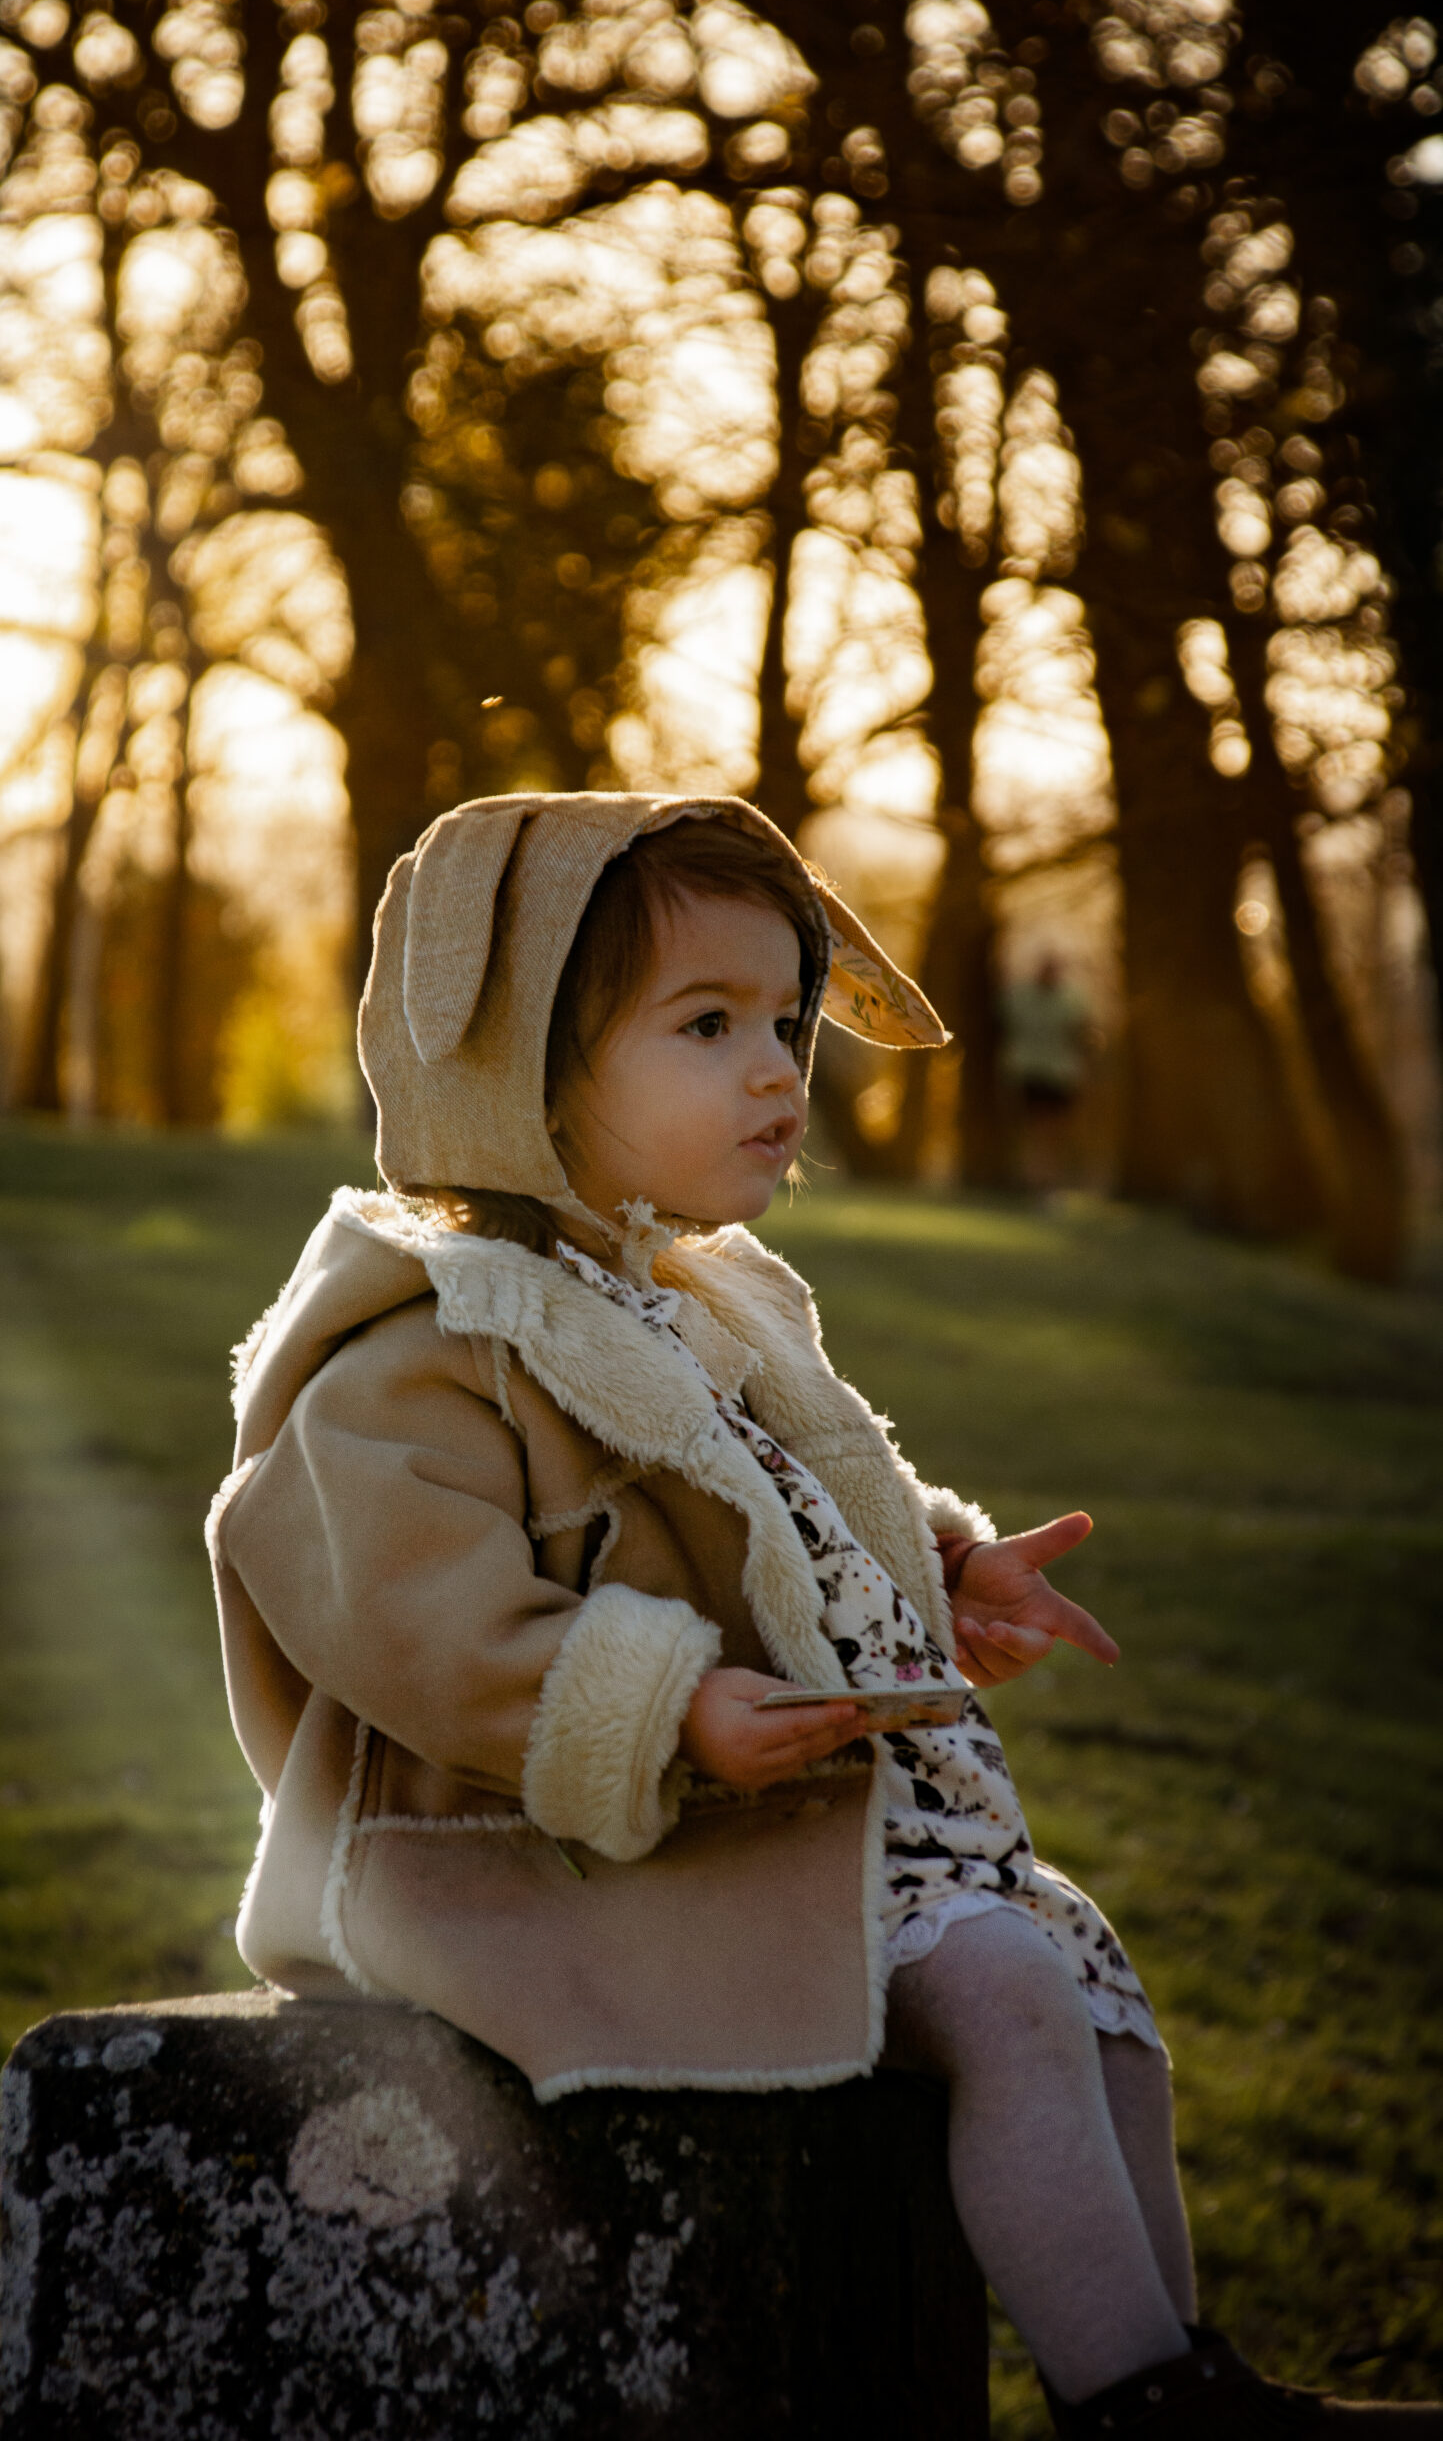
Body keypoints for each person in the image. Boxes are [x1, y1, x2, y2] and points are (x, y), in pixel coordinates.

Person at [209, 793, 1435, 2438]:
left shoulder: (695, 1306)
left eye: (785, 1019)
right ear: (516, 1063)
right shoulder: (425, 1350)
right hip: (527, 1852)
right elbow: (404, 1613)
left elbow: (772, 1513)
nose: (780, 1070)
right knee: (995, 1983)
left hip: (736, 1816)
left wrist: (936, 1569)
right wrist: (658, 1706)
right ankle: (1136, 2401)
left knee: (1066, 1953)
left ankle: (1178, 2361)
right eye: (705, 1025)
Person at [1000, 951, 1094, 1193]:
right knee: (1035, 1128)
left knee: (1054, 1131)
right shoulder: (1020, 996)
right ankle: (1033, 1180)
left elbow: (1083, 1034)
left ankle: (1047, 1181)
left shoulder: (1071, 1000)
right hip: (1029, 1070)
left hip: (1061, 1073)